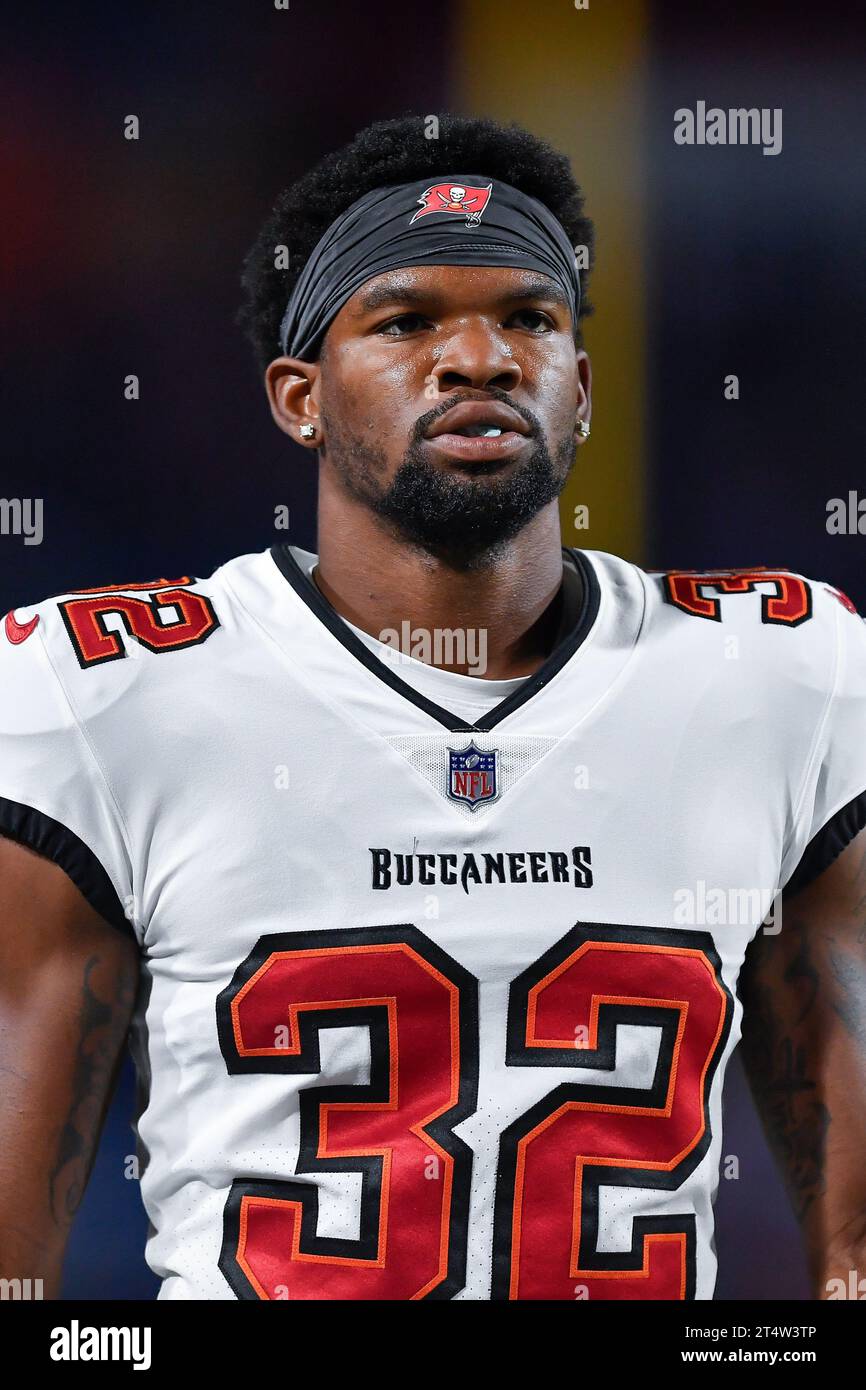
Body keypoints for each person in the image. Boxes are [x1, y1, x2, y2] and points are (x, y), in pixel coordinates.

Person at [1, 114, 864, 1301]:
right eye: (405, 321)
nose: (480, 358)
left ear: (581, 390)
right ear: (298, 397)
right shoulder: (106, 697)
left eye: (529, 318)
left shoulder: (780, 676)